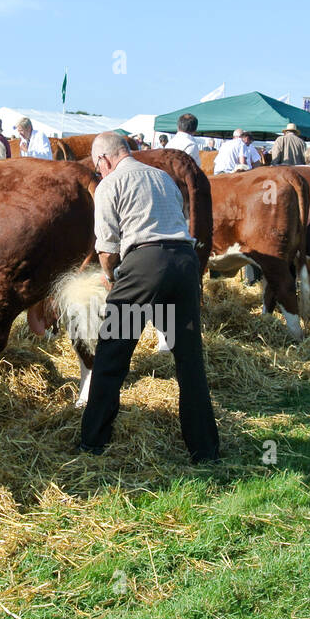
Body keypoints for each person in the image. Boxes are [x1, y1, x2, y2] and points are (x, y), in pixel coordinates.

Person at [79, 132, 218, 462]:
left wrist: (111, 277)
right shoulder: (162, 178)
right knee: (189, 360)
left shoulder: (109, 185)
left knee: (112, 354)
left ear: (104, 159)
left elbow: (106, 248)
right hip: (184, 263)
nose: (99, 171)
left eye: (98, 166)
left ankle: (93, 441)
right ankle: (205, 450)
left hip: (145, 265)